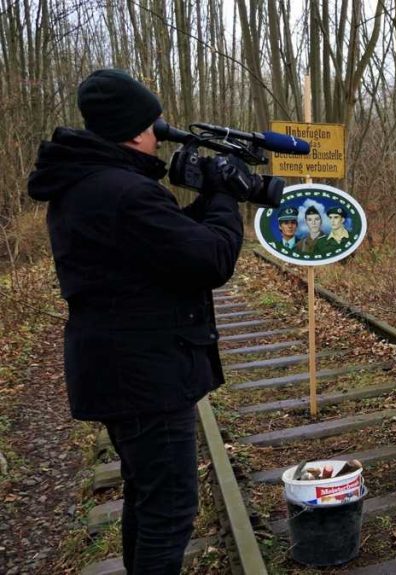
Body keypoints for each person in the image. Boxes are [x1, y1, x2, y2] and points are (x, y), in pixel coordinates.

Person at [27, 69, 250, 574]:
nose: (159, 136)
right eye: (155, 127)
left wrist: (206, 199)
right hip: (145, 374)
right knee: (169, 509)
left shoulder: (90, 185)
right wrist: (223, 196)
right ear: (133, 132)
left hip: (121, 366)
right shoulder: (123, 192)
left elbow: (161, 245)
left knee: (147, 497)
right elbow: (210, 258)